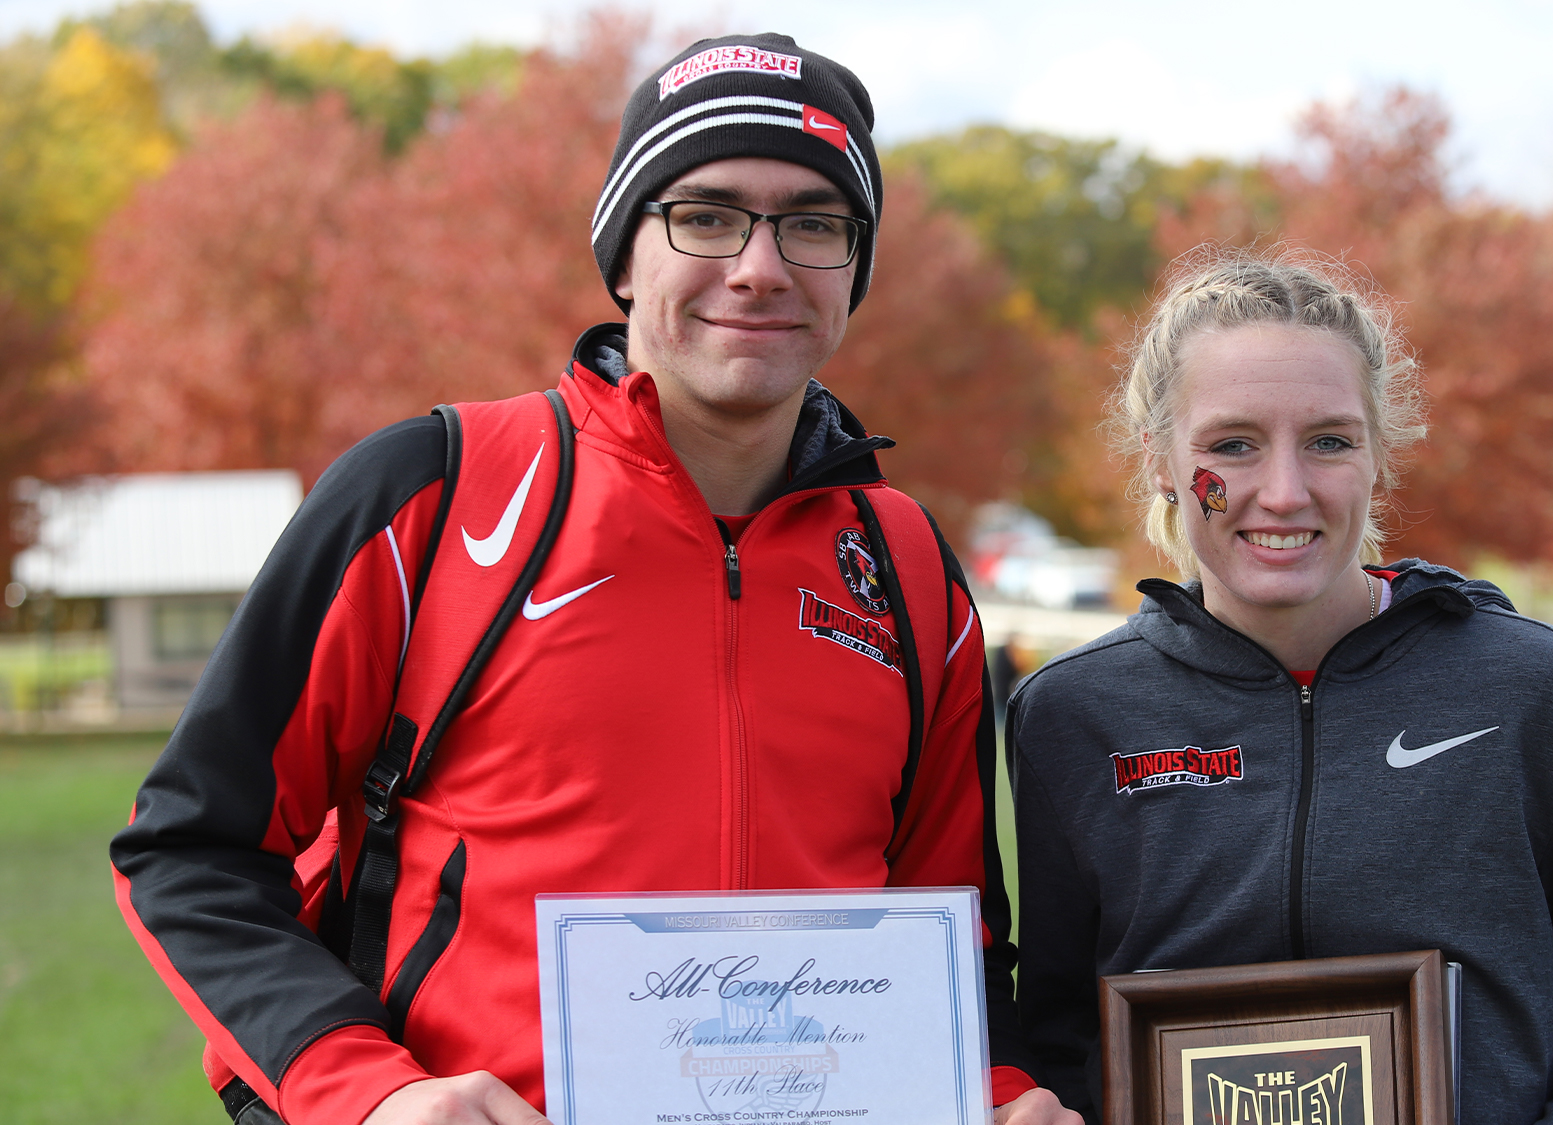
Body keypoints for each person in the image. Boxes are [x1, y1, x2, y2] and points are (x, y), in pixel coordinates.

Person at [112, 34, 1074, 1125]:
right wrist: (369, 1094)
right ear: (624, 257)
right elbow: (190, 850)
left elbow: (946, 936)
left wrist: (995, 1091)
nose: (760, 267)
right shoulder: (435, 495)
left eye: (814, 225)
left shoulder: (905, 568)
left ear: (852, 268)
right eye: (705, 216)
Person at [1007, 248, 1553, 1125]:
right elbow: (1055, 1024)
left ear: (1379, 452)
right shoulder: (1072, 714)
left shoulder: (1542, 690)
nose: (1284, 490)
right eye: (1232, 444)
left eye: (1329, 442)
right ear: (1160, 458)